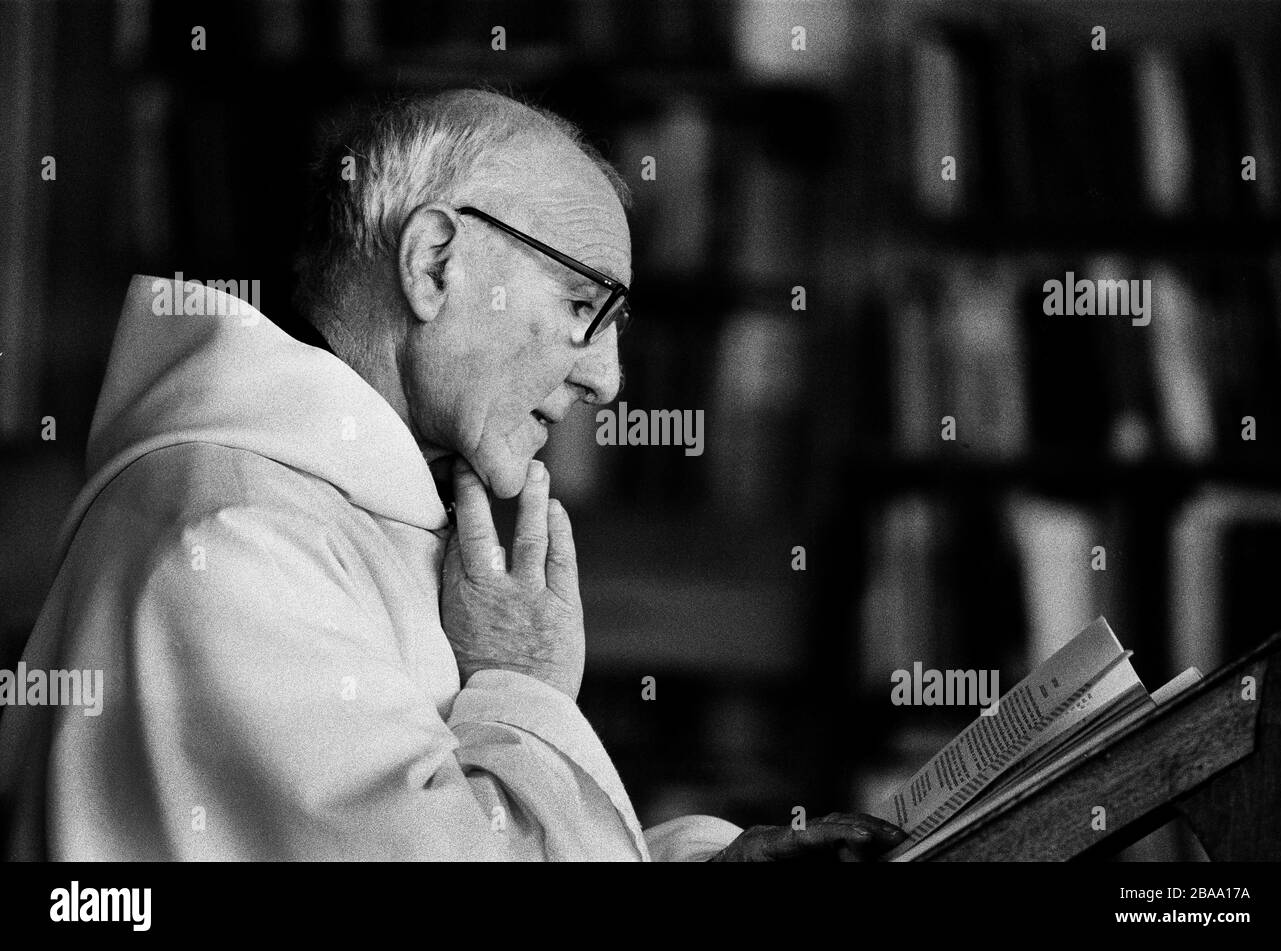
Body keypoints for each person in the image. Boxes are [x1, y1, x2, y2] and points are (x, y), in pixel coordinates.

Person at [0, 89, 904, 861]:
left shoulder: (308, 504)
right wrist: (525, 689)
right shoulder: (236, 542)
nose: (608, 378)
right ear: (434, 262)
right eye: (583, 306)